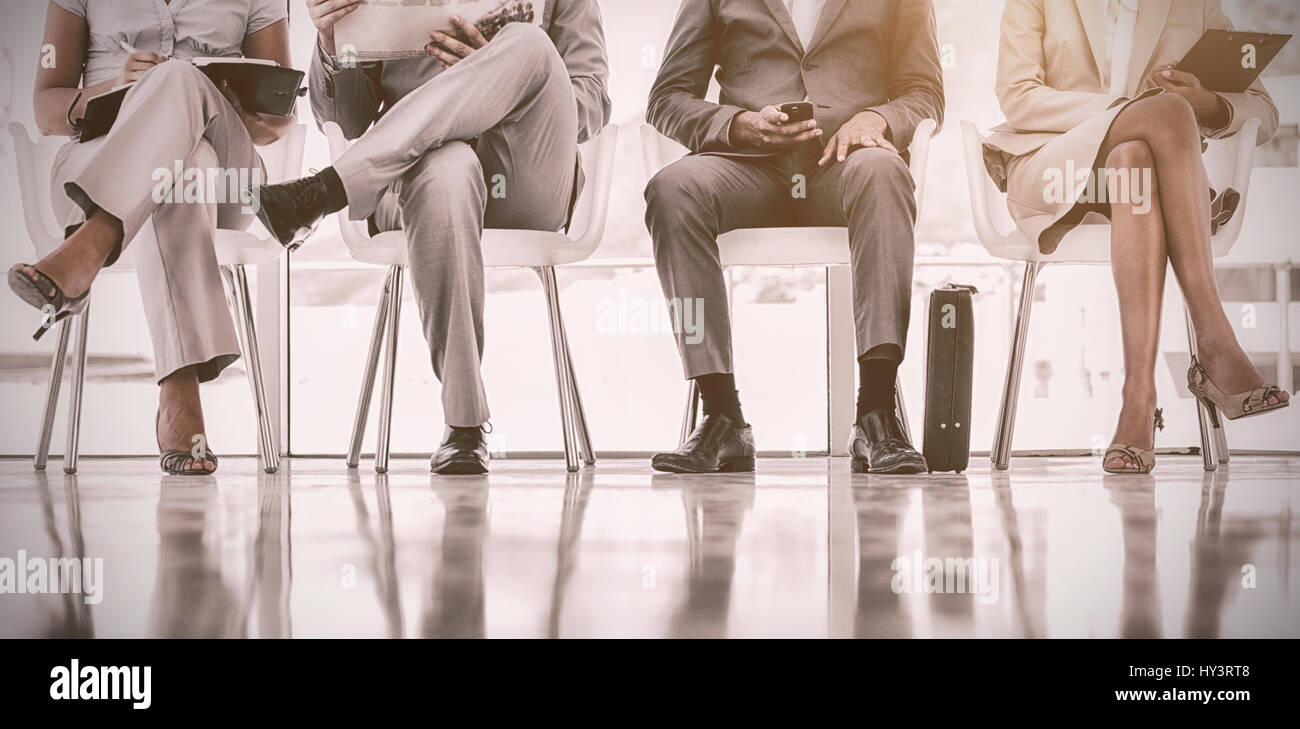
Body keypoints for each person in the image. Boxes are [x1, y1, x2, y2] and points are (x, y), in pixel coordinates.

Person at [253, 0, 610, 475]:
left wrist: (495, 76)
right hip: (416, 178)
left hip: (524, 172)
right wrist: (330, 43)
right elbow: (346, 120)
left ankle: (325, 192)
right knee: (445, 169)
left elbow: (593, 101)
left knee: (527, 44)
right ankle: (464, 423)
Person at [983, 0, 1288, 474]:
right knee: (1163, 113)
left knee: (1134, 160)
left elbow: (1264, 112)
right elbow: (1019, 97)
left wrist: (1205, 102)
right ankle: (1215, 342)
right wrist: (1130, 110)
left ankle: (1138, 401)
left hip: (1136, 178)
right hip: (1055, 165)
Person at [642, 0, 944, 474]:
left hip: (847, 164)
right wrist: (736, 125)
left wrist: (876, 120)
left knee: (885, 171)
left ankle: (877, 413)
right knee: (671, 189)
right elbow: (667, 98)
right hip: (746, 168)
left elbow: (924, 92)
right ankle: (721, 415)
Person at [8, 0, 295, 475]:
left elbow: (283, 110)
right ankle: (179, 394)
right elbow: (46, 109)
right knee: (182, 169)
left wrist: (223, 105)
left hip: (228, 174)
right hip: (100, 158)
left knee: (181, 82)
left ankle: (93, 241)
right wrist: (119, 88)